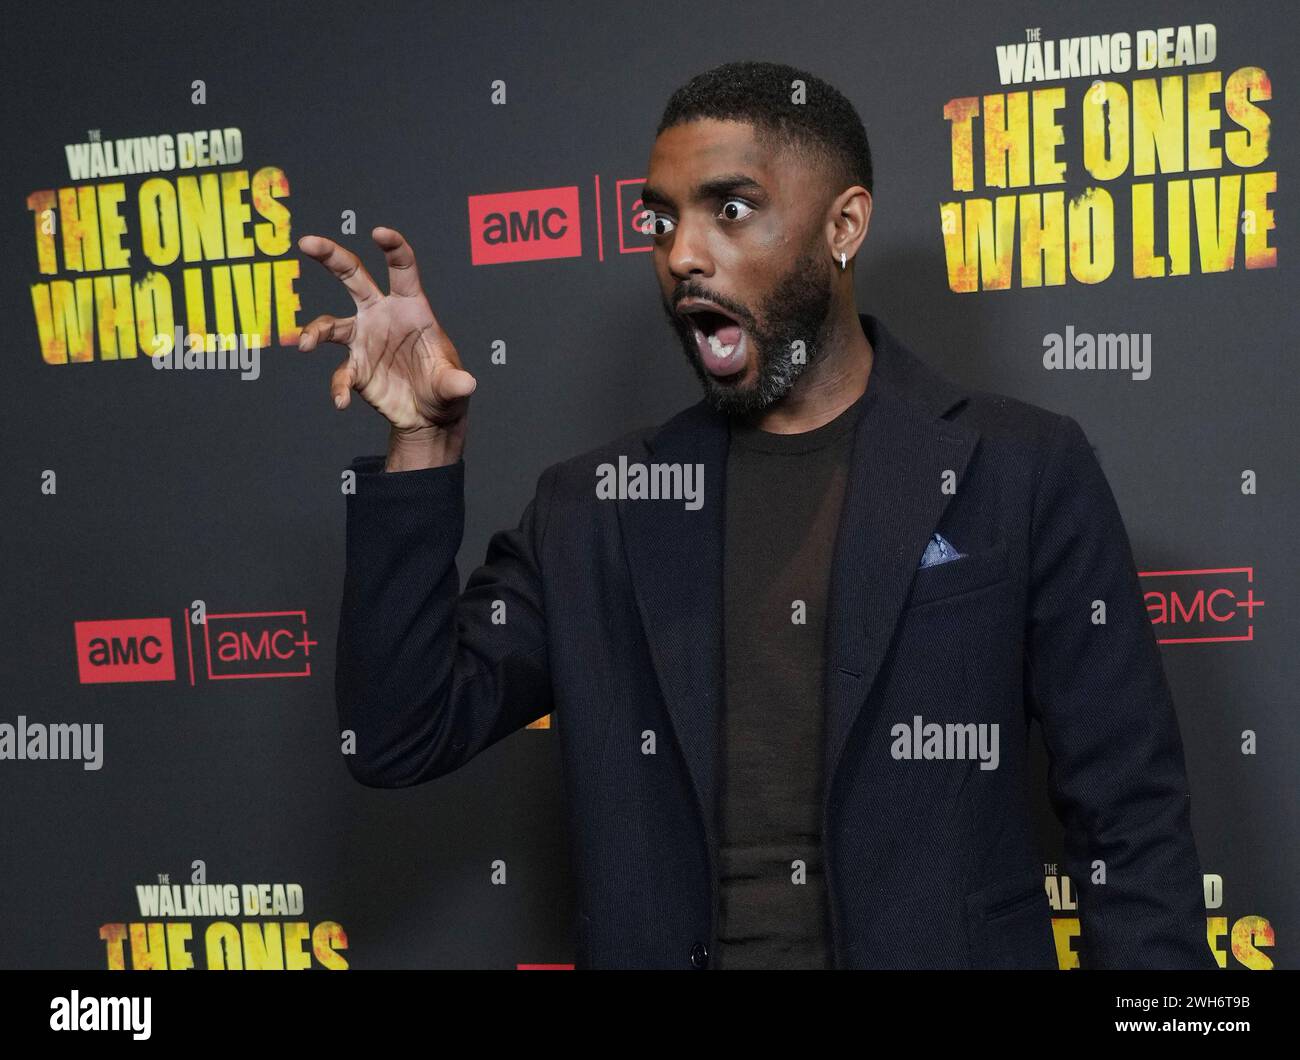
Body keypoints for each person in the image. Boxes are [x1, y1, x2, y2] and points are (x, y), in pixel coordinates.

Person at [298, 61, 1214, 970]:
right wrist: (420, 444)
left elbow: (1129, 815)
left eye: (729, 209)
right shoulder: (594, 510)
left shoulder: (1021, 469)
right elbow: (396, 735)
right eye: (662, 220)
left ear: (843, 225)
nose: (683, 254)